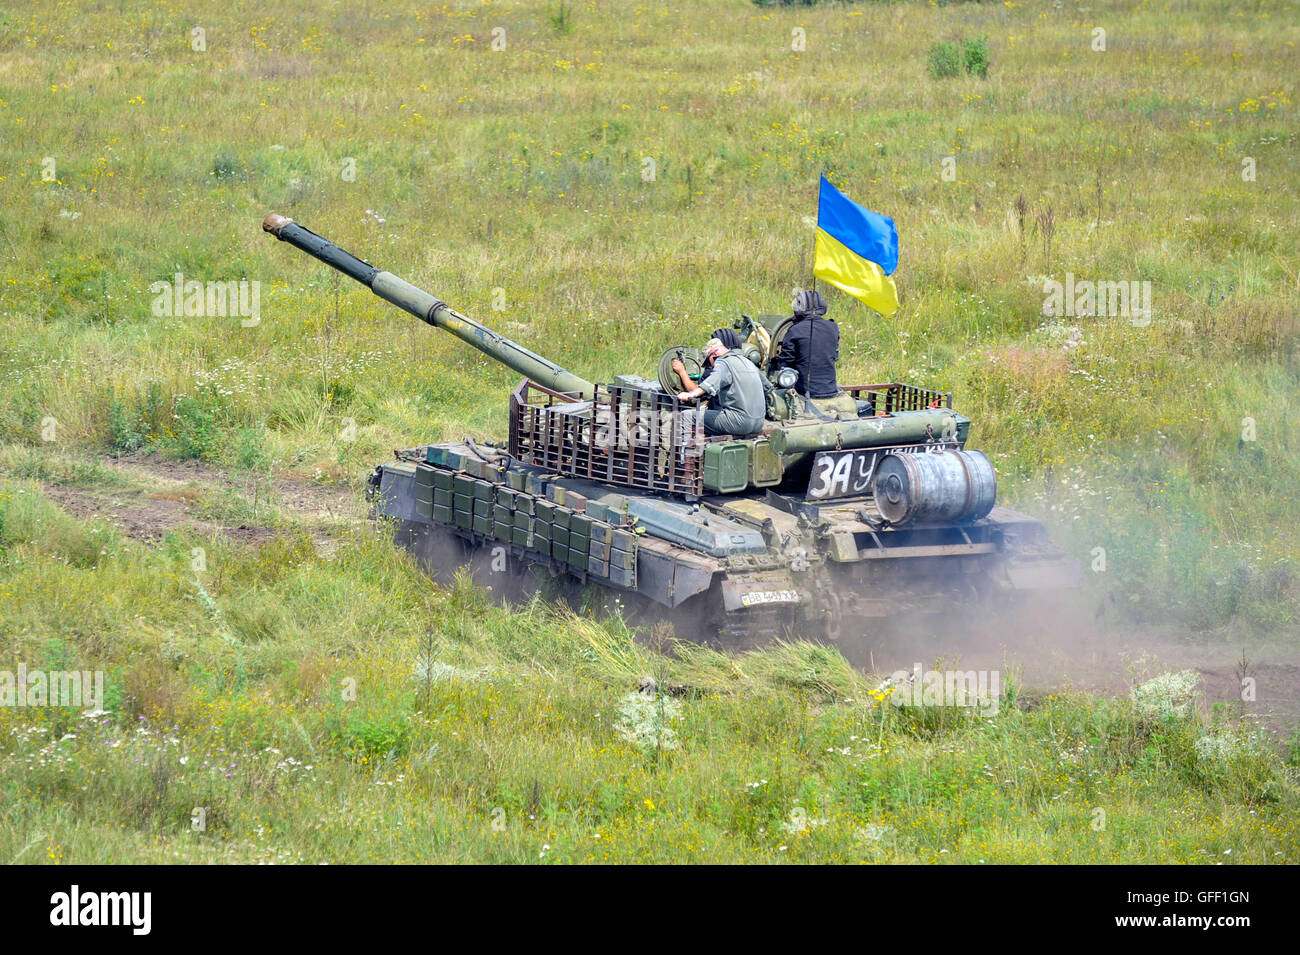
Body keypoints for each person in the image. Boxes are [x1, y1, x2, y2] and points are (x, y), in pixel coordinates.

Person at [672, 338, 766, 437]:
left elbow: (712, 381)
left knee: (686, 416)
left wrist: (690, 394)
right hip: (759, 423)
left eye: (709, 361)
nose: (711, 366)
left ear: (715, 353)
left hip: (739, 422)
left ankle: (685, 452)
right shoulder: (748, 362)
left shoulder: (723, 362)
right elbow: (767, 387)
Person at [772, 288, 840, 398]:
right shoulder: (833, 327)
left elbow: (785, 363)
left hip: (804, 392)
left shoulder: (795, 330)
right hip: (831, 389)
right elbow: (834, 356)